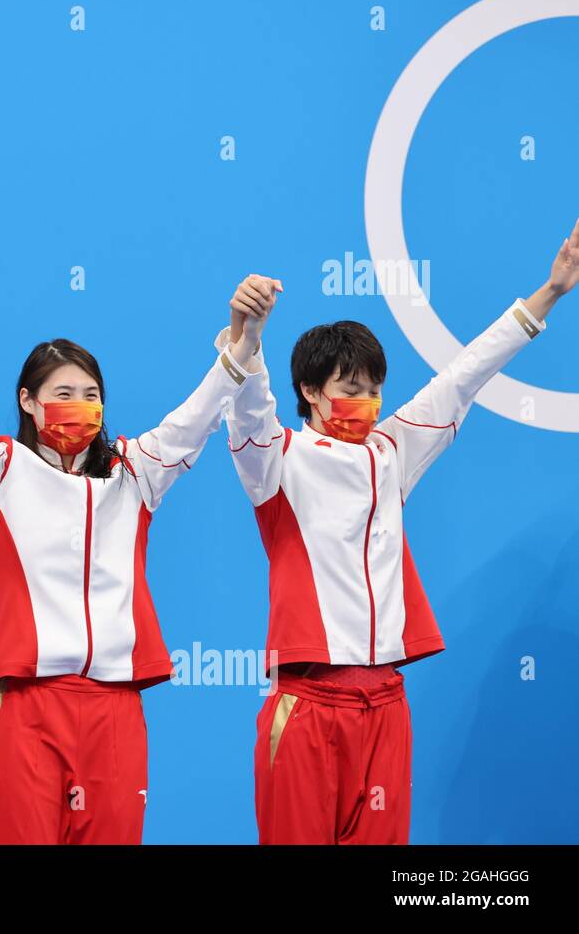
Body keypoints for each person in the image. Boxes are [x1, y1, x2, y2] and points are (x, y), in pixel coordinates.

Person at [223, 219, 578, 844]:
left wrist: (550, 291)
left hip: (387, 705)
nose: (366, 401)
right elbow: (250, 406)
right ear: (309, 391)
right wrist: (246, 336)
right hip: (306, 708)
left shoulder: (394, 451)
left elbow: (464, 376)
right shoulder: (275, 461)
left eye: (374, 389)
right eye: (348, 389)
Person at [0, 251, 270, 844]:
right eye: (63, 392)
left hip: (116, 712)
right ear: (29, 402)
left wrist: (242, 344)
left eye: (92, 394)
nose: (82, 406)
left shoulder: (134, 473)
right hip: (30, 709)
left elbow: (195, 419)